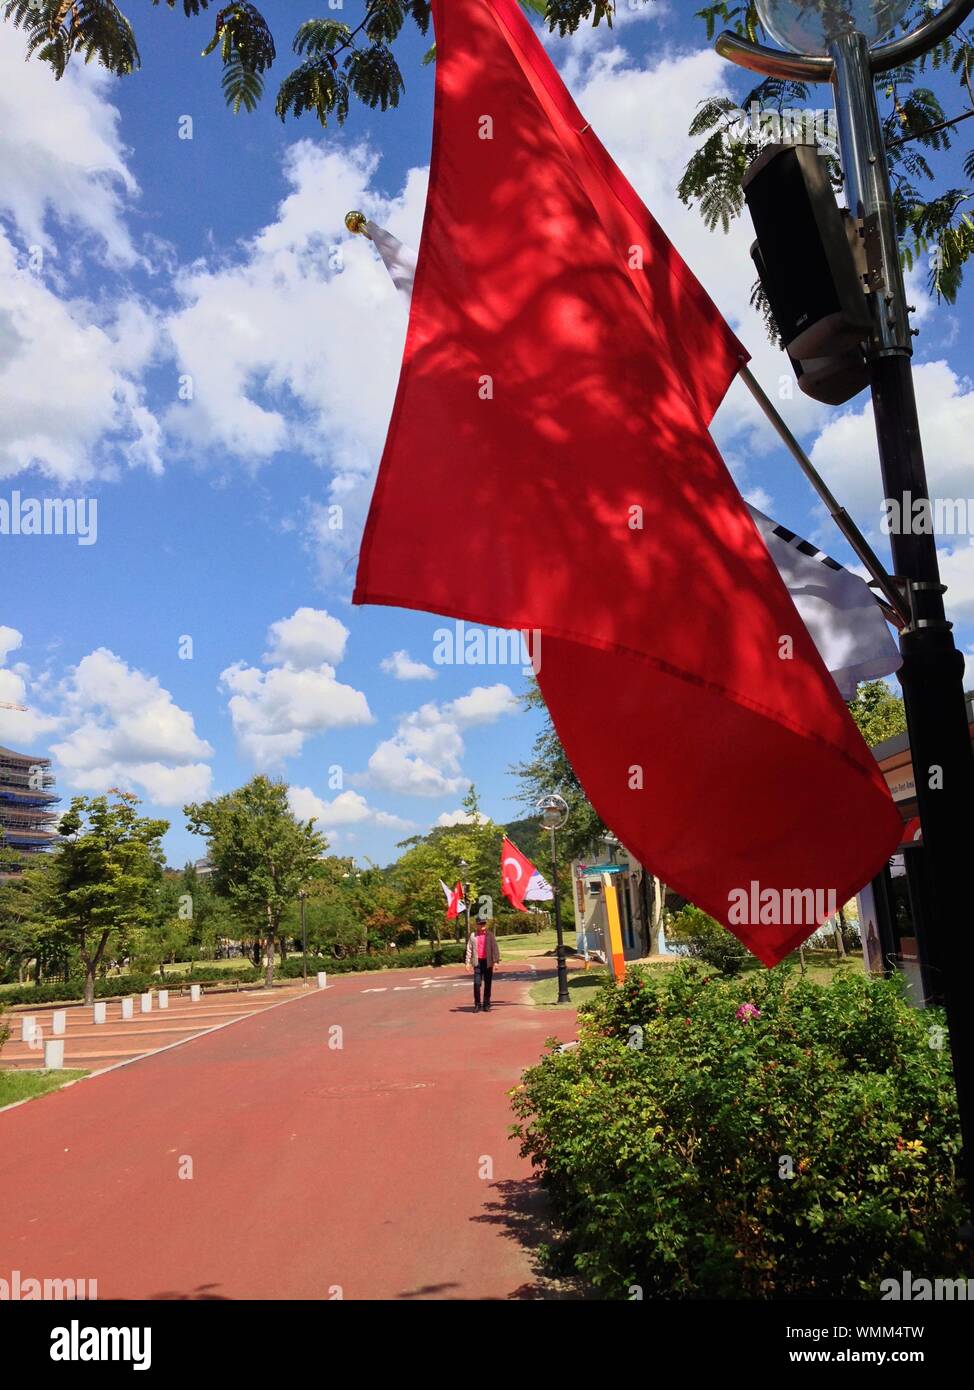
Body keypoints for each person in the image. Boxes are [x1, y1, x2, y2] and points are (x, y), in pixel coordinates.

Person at [465, 914, 501, 1012]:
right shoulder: (473, 936)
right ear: (476, 925)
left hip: (488, 962)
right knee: (477, 984)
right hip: (477, 963)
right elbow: (469, 949)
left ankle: (486, 1004)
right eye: (480, 924)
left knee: (488, 984)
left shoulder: (490, 935)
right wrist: (467, 962)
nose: (482, 925)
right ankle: (477, 1004)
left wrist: (496, 962)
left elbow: (495, 948)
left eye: (484, 923)